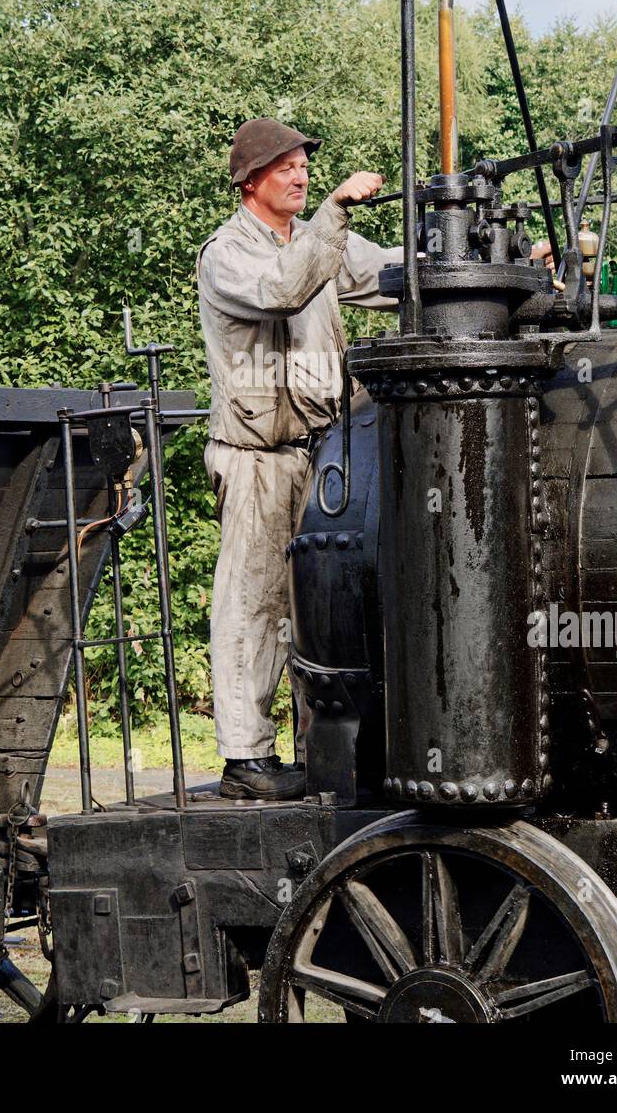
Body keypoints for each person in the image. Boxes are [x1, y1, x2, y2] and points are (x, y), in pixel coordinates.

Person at [197, 118, 402, 800]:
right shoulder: (228, 253)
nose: (300, 175)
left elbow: (393, 273)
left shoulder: (313, 241)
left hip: (320, 455)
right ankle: (245, 761)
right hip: (254, 460)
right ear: (249, 181)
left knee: (323, 605)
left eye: (304, 166)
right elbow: (283, 287)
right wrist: (336, 211)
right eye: (284, 167)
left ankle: (323, 749)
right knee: (252, 603)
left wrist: (475, 257)